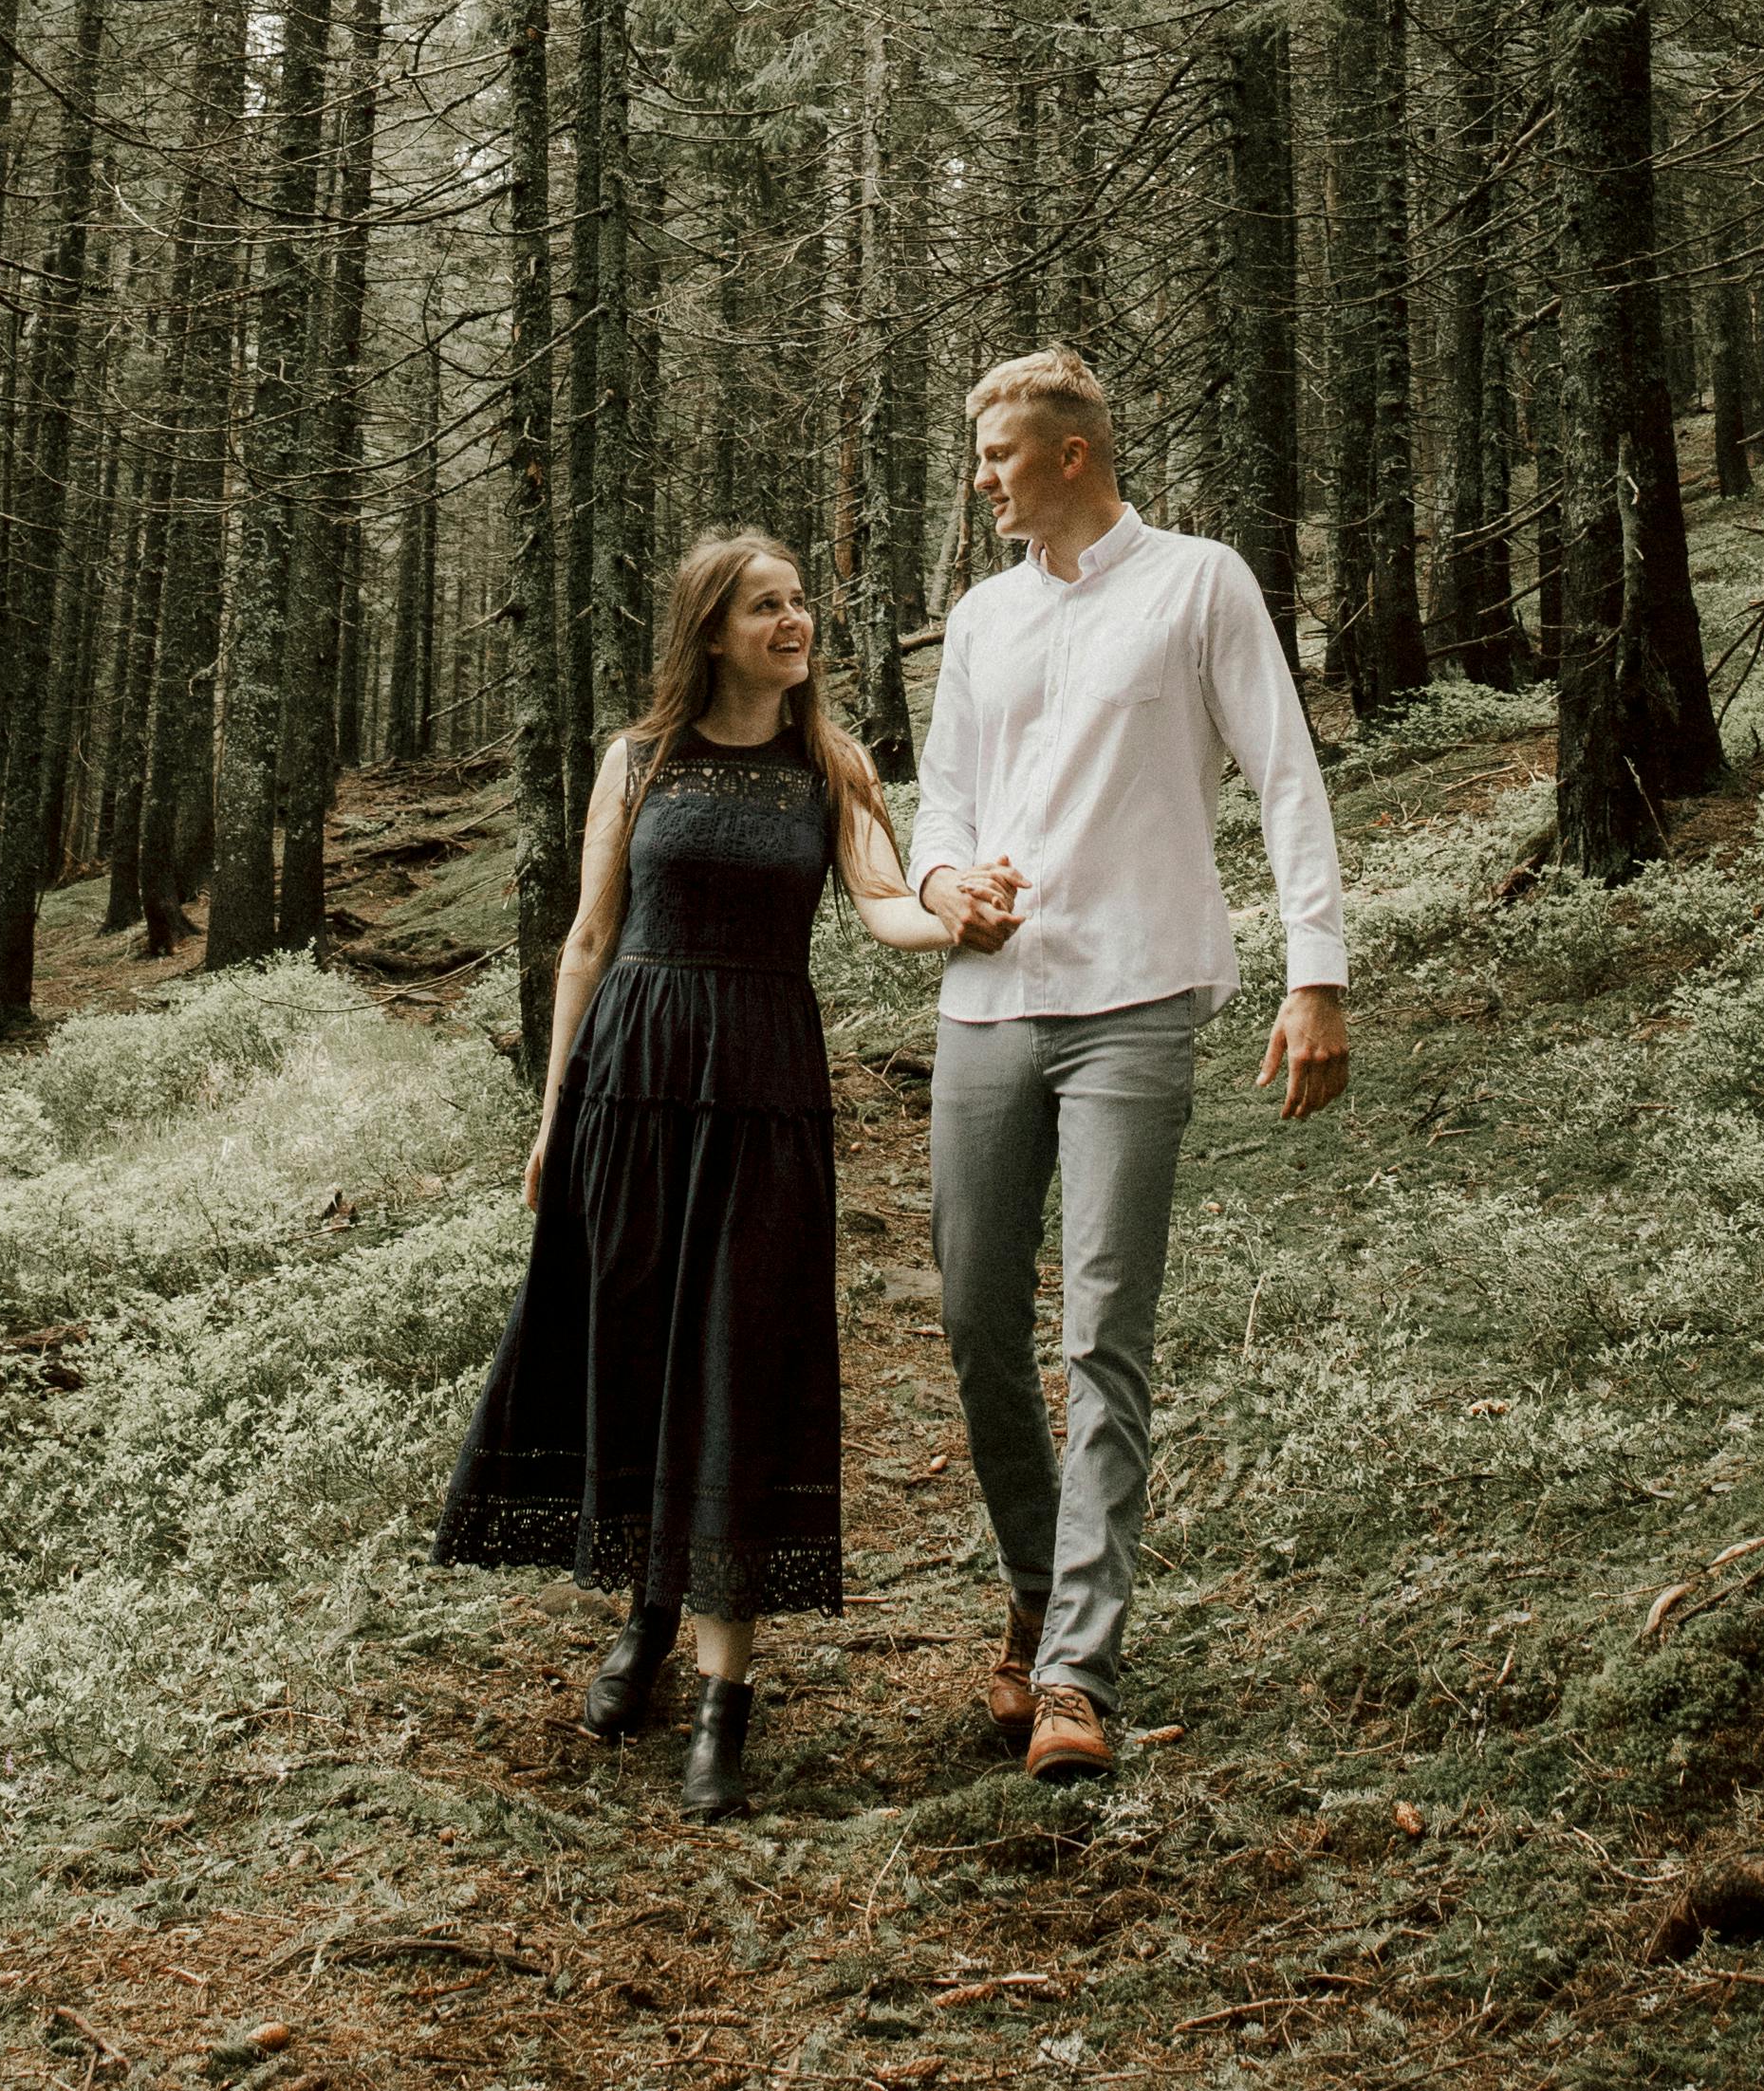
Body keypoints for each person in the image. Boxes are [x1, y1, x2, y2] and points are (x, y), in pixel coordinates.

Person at [432, 526, 955, 1820]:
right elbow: (589, 937)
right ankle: (647, 1614)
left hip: (765, 1086)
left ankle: (727, 1699)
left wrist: (958, 916)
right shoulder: (639, 759)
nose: (796, 621)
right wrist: (555, 1115)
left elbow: (884, 904)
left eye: (801, 601)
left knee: (737, 1358)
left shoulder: (832, 761)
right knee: (638, 1345)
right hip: (635, 1078)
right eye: (766, 606)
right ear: (712, 629)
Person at [914, 344, 1349, 1786]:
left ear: (1073, 454)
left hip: (1136, 999)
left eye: (999, 457)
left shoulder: (1200, 585)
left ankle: (1075, 1673)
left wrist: (1316, 974)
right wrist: (945, 885)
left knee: (1104, 1330)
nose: (983, 481)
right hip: (988, 1001)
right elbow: (943, 800)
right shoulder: (982, 616)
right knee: (975, 1318)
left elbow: (1285, 779)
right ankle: (1038, 1590)